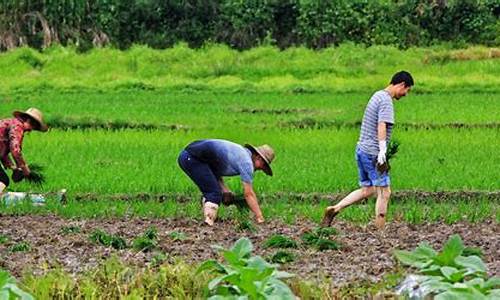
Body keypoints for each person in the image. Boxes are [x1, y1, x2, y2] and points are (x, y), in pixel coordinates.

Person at [322, 71, 414, 229]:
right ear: (401, 85)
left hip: (361, 149)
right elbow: (382, 125)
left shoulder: (377, 95)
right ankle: (380, 232)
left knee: (368, 189)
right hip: (373, 153)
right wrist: (382, 151)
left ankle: (335, 208)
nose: (406, 94)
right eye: (407, 90)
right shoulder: (386, 101)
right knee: (385, 193)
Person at [178, 139, 275, 226]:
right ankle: (207, 225)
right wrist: (260, 217)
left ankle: (209, 219)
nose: (261, 169)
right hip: (192, 158)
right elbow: (249, 194)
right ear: (258, 157)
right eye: (263, 165)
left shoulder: (239, 153)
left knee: (213, 191)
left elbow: (212, 170)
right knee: (214, 193)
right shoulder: (246, 163)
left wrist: (225, 190)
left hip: (187, 156)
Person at [0, 108, 48, 194]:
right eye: (32, 126)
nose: (30, 130)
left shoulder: (10, 123)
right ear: (28, 120)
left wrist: (13, 168)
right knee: (3, 180)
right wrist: (24, 168)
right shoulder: (17, 126)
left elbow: (2, 152)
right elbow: (15, 150)